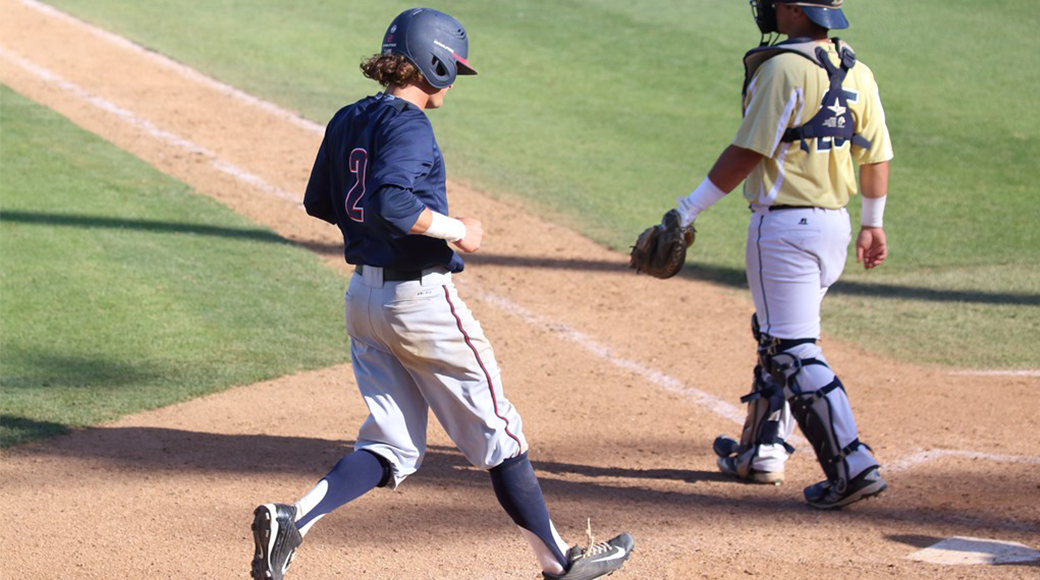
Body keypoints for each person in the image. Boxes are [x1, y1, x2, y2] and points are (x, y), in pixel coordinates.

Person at [250, 8, 634, 580]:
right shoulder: (410, 125)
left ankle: (293, 519)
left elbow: (320, 202)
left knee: (394, 446)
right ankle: (560, 562)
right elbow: (392, 202)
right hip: (420, 305)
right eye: (453, 67)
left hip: (363, 302)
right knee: (500, 435)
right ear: (434, 64)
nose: (454, 79)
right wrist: (458, 230)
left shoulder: (349, 116)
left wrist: (374, 234)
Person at [674, 0, 893, 509]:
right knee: (778, 336)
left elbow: (748, 151)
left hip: (784, 230)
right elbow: (876, 155)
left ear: (795, 10)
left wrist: (687, 209)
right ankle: (762, 451)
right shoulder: (857, 70)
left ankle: (853, 466)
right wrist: (873, 223)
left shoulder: (783, 70)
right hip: (833, 227)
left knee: (792, 349)